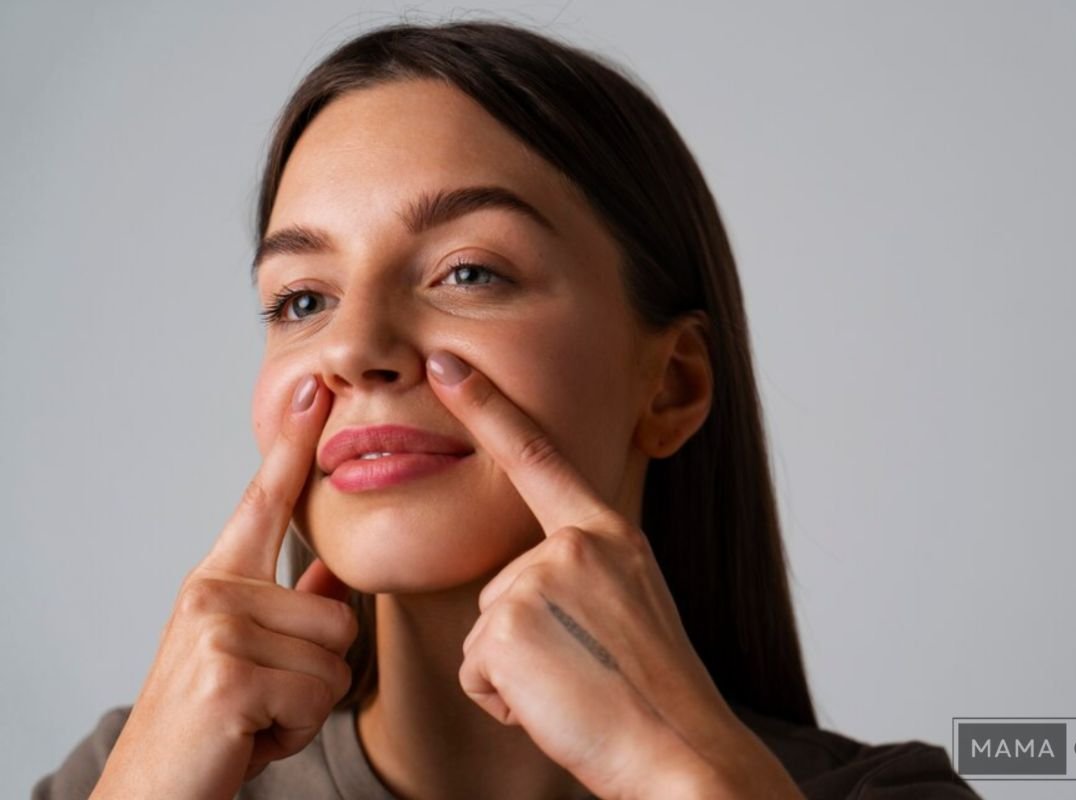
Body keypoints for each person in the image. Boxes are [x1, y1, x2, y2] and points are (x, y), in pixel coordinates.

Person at [33, 19, 981, 800]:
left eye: (468, 272)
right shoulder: (128, 776)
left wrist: (687, 782)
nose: (355, 348)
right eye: (303, 300)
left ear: (675, 383)